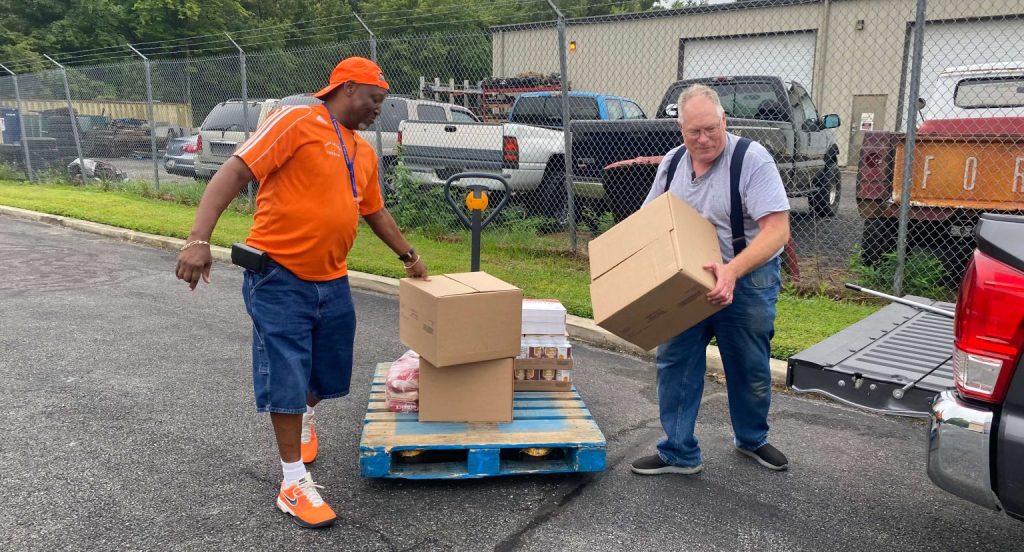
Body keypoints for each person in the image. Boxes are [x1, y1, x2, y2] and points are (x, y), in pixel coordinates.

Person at [175, 57, 429, 528]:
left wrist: (409, 256)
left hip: (332, 279)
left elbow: (374, 211)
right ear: (348, 88)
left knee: (327, 369)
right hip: (279, 278)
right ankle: (292, 482)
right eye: (375, 100)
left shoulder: (363, 150)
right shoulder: (296, 119)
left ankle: (305, 419)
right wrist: (197, 240)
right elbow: (233, 173)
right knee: (287, 370)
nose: (379, 110)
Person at [629, 84, 791, 476]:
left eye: (711, 129)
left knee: (749, 366)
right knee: (675, 361)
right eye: (693, 132)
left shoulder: (752, 160)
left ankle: (752, 438)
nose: (703, 139)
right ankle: (679, 452)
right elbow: (651, 221)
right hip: (687, 281)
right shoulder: (671, 163)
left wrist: (732, 271)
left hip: (746, 277)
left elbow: (777, 231)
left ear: (724, 121)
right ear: (680, 130)